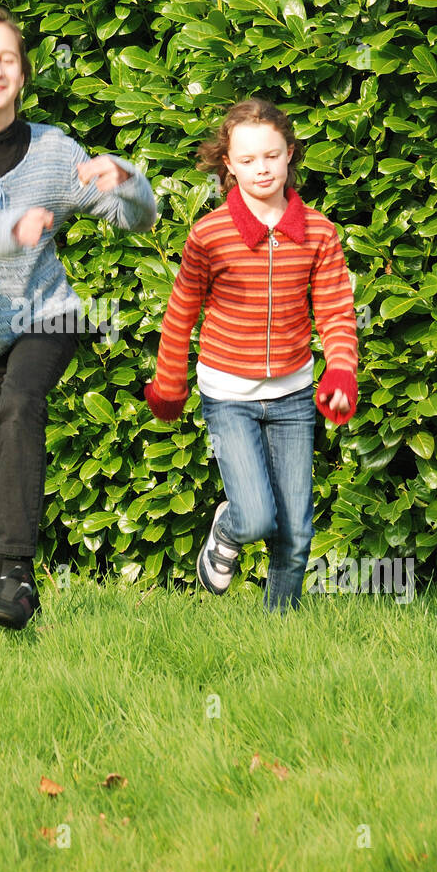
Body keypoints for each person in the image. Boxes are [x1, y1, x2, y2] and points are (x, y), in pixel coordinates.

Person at [0, 6, 157, 629]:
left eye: (7, 58)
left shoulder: (51, 150)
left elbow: (139, 218)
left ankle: (11, 580)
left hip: (51, 315)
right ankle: (13, 582)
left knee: (22, 402)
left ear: (22, 73)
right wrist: (5, 232)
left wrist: (127, 178)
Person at [143, 98, 358, 613]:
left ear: (289, 157)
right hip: (228, 395)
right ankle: (228, 528)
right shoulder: (210, 234)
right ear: (228, 164)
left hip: (293, 394)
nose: (261, 168)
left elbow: (334, 308)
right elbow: (181, 310)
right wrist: (169, 380)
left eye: (272, 155)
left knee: (297, 529)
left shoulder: (320, 234)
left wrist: (342, 370)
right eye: (248, 159)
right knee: (257, 516)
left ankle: (279, 628)